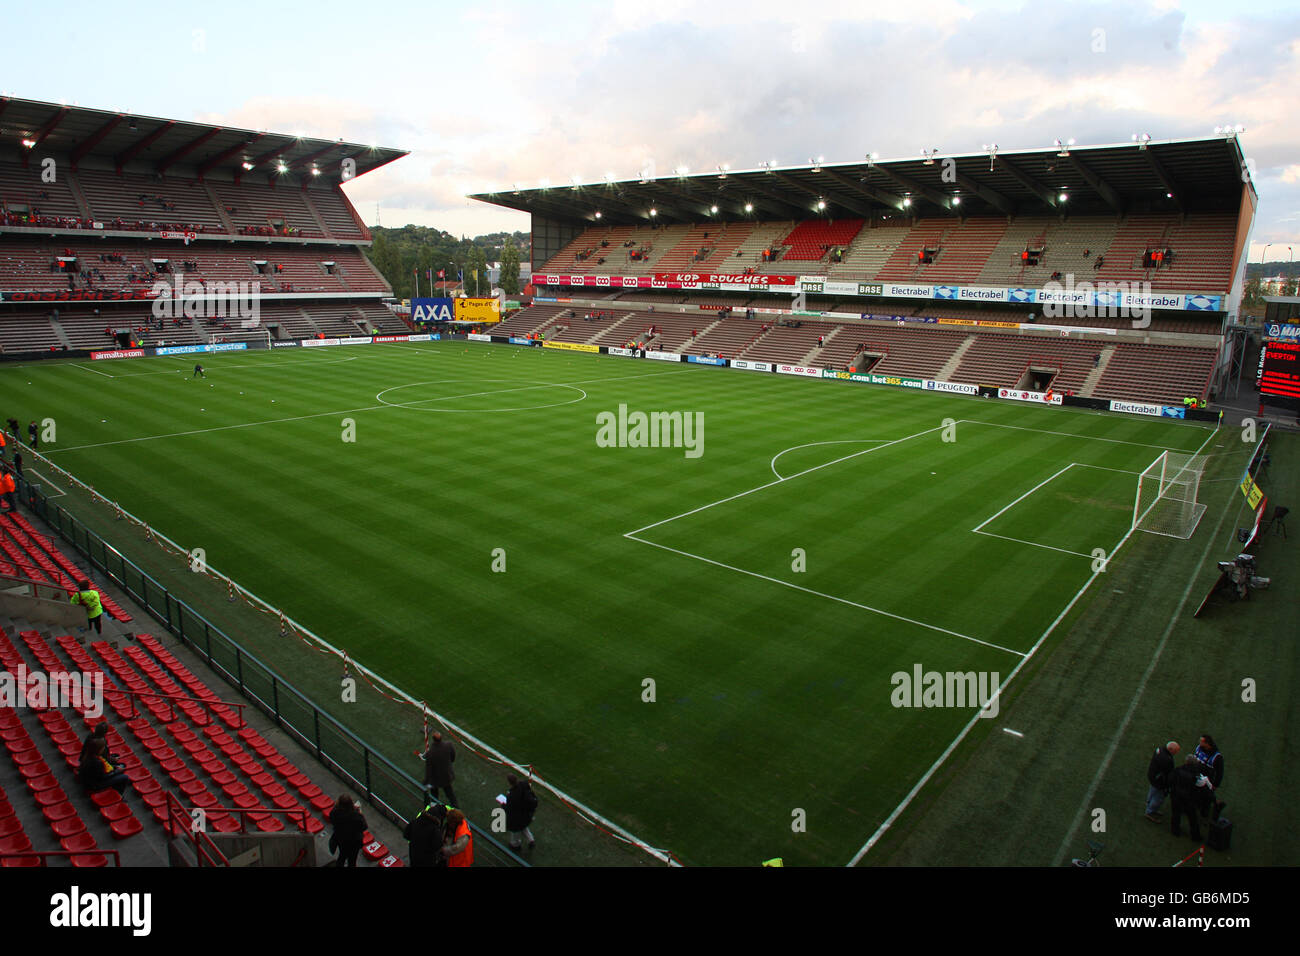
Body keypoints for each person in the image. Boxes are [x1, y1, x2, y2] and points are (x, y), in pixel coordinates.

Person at [1169, 755, 1213, 840]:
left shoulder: (1178, 770)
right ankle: (1195, 836)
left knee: (1176, 814)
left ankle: (1175, 831)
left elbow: (1170, 780)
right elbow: (1203, 788)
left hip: (1176, 796)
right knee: (1193, 818)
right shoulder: (1197, 776)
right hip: (1189, 799)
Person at [403, 800, 447, 868]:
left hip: (413, 855)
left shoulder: (416, 821)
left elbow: (406, 834)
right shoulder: (434, 830)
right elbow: (438, 846)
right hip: (427, 861)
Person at [1145, 740, 1180, 821]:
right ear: (1171, 749)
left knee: (1152, 792)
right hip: (1159, 781)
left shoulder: (1160, 749)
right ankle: (1150, 812)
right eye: (1175, 751)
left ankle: (1149, 807)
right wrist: (1168, 785)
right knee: (1158, 798)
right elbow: (1168, 774)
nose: (1176, 753)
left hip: (1153, 776)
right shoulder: (1167, 759)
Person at [328, 795, 368, 867]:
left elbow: (332, 819)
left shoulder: (334, 812)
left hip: (341, 839)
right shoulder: (356, 816)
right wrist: (360, 814)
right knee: (352, 860)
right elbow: (364, 826)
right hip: (354, 842)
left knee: (342, 855)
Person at [504, 773, 538, 852]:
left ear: (509, 783)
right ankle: (530, 840)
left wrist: (502, 805)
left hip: (517, 817)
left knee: (516, 831)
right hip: (527, 814)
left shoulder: (511, 795)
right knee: (523, 826)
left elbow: (509, 808)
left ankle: (515, 844)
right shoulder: (524, 784)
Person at [423, 731, 458, 807]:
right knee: (450, 795)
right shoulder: (449, 745)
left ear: (433, 739)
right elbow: (453, 756)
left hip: (435, 779)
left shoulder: (430, 753)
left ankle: (434, 809)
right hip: (446, 775)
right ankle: (456, 809)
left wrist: (426, 781)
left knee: (434, 795)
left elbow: (428, 770)